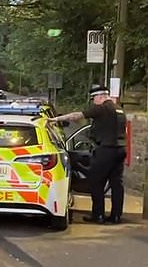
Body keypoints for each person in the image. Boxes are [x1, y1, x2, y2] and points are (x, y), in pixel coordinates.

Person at [49, 86, 127, 224]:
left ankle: (98, 215)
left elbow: (76, 116)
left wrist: (55, 119)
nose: (93, 102)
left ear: (100, 97)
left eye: (93, 99)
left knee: (95, 181)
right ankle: (116, 216)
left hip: (106, 150)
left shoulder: (102, 108)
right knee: (116, 184)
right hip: (120, 149)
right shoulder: (119, 109)